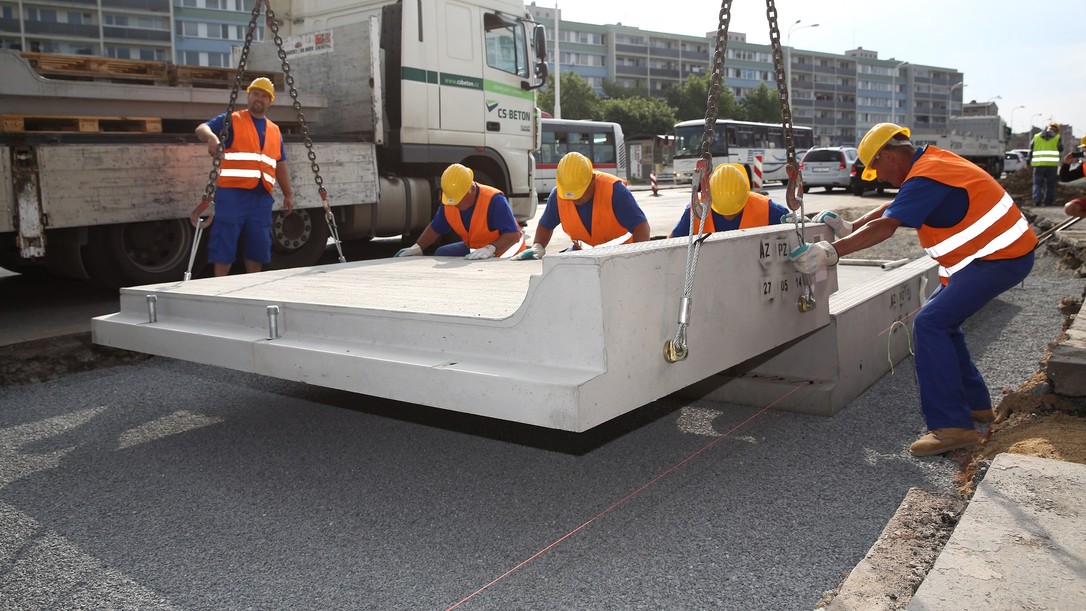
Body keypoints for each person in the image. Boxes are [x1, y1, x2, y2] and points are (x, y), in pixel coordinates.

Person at [790, 123, 1038, 457]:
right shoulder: (930, 165)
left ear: (888, 155)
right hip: (989, 257)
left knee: (931, 323)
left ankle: (952, 427)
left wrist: (830, 253)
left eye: (876, 167)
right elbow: (892, 209)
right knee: (939, 321)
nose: (877, 177)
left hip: (997, 258)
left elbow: (887, 226)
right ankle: (976, 406)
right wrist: (851, 227)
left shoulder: (928, 175)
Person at [195, 77, 293, 277]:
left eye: (264, 95)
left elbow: (280, 164)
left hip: (261, 198)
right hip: (232, 195)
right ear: (248, 96)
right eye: (255, 93)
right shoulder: (233, 120)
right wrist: (212, 137)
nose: (259, 98)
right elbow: (201, 129)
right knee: (224, 243)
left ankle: (250, 288)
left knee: (257, 245)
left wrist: (288, 194)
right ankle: (219, 286)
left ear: (270, 101)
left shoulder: (274, 130)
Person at [515, 152, 649, 260]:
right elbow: (546, 225)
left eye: (578, 193)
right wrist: (538, 247)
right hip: (584, 257)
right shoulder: (558, 195)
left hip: (620, 257)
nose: (574, 199)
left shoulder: (615, 191)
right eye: (570, 194)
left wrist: (637, 258)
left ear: (592, 180)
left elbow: (641, 227)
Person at [394, 163, 525, 259]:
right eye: (452, 200)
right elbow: (436, 227)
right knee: (442, 253)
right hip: (476, 249)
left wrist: (491, 249)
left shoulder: (494, 200)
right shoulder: (450, 201)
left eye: (459, 200)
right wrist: (417, 247)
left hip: (507, 250)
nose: (455, 204)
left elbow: (513, 236)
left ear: (471, 189)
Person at [666, 163, 790, 238]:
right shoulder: (696, 210)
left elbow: (797, 239)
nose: (728, 216)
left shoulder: (769, 210)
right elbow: (671, 246)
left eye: (734, 211)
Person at [1028, 122, 1062, 207]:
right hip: (1052, 165)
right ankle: (1048, 202)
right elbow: (1061, 148)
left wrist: (1028, 162)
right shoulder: (1057, 137)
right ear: (1056, 130)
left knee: (1037, 184)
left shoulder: (1036, 137)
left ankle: (1037, 200)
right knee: (1050, 185)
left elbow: (1030, 149)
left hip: (1038, 165)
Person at [1058, 136, 1086, 218]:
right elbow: (1066, 178)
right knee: (1070, 208)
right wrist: (1066, 164)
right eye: (1083, 149)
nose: (1084, 151)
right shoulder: (1084, 166)